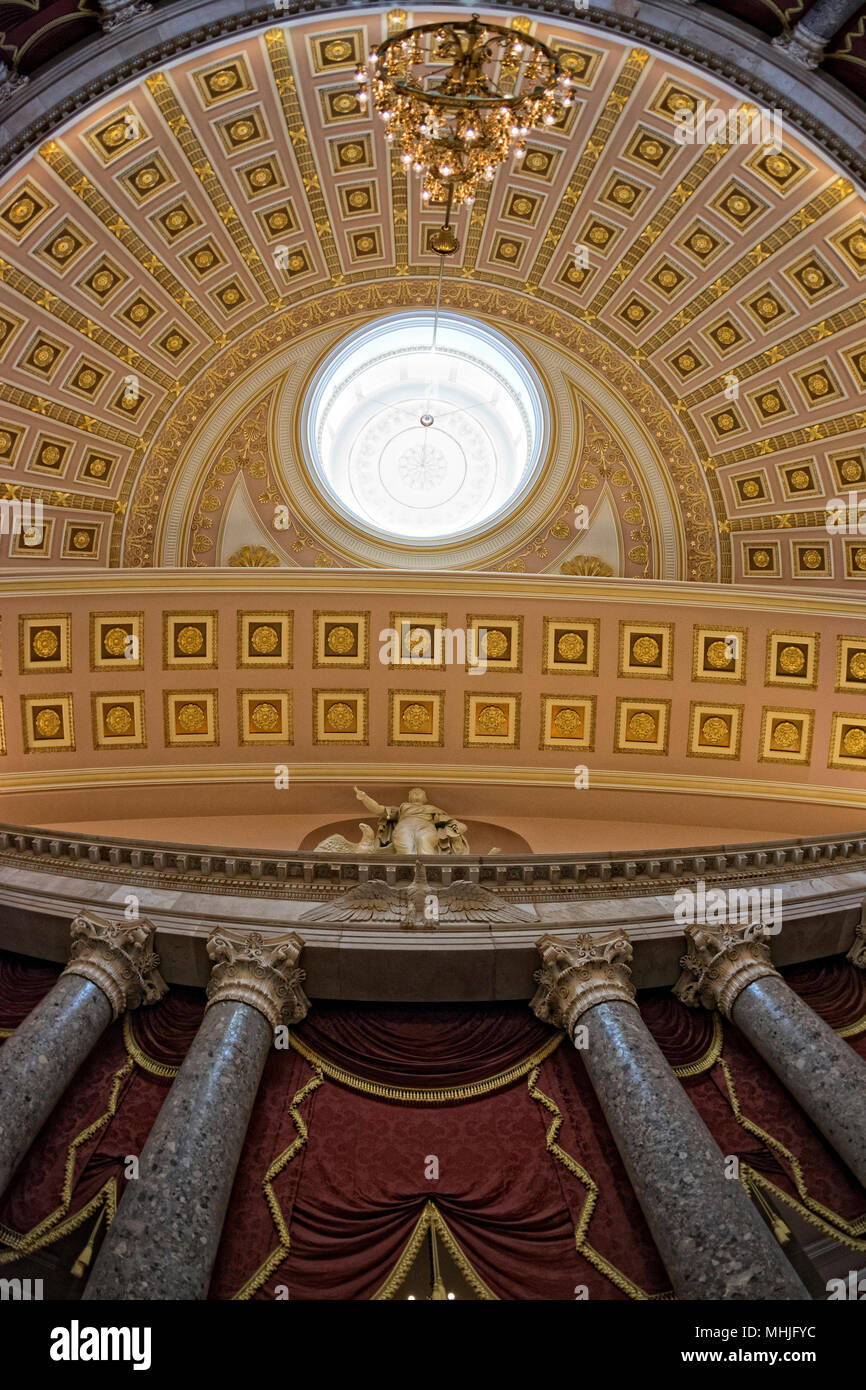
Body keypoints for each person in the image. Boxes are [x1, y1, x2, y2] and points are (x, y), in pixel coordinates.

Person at [353, 786, 470, 855]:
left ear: (425, 798)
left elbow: (451, 822)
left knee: (425, 846)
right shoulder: (402, 808)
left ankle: (428, 874)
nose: (416, 792)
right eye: (413, 792)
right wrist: (365, 798)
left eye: (419, 792)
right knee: (406, 851)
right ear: (409, 797)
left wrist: (456, 829)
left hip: (426, 828)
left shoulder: (432, 809)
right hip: (404, 828)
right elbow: (379, 809)